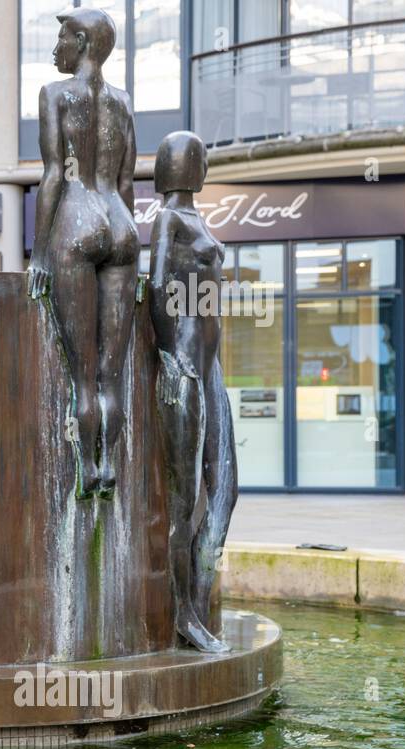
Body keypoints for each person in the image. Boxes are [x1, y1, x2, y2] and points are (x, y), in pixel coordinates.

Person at [27, 6, 139, 499]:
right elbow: (128, 182)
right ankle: (109, 464)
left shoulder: (55, 95)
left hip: (76, 222)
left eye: (62, 40)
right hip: (121, 224)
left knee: (84, 377)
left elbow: (54, 175)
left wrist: (38, 255)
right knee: (112, 374)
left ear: (83, 43)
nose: (56, 50)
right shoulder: (123, 101)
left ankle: (86, 470)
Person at [148, 130, 237, 653]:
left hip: (211, 366)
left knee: (224, 489)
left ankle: (200, 602)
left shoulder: (196, 220)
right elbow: (158, 286)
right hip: (184, 366)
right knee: (184, 502)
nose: (202, 165)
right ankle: (184, 616)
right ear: (185, 166)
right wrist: (171, 356)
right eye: (198, 158)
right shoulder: (168, 220)